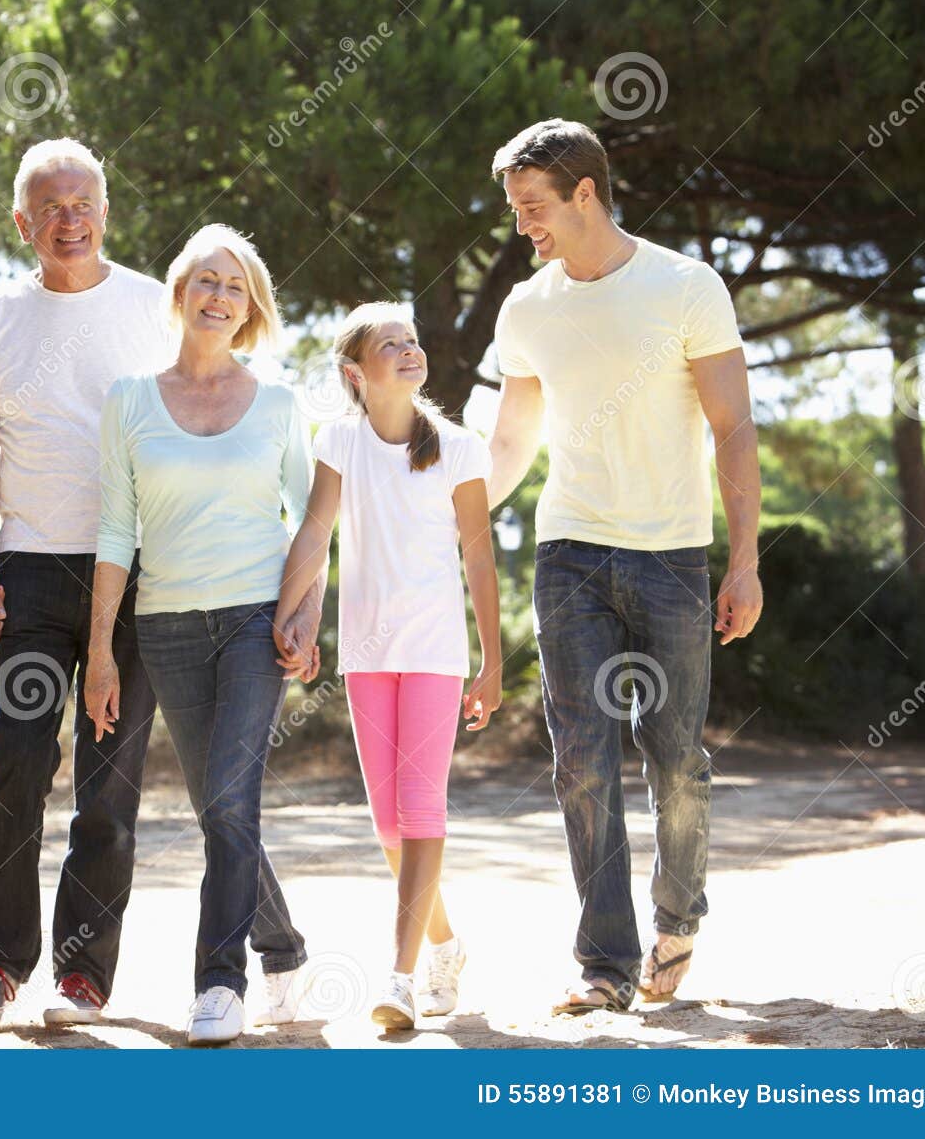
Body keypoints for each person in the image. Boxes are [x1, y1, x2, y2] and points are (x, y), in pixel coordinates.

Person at [485, 120, 763, 1015]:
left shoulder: (687, 286)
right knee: (581, 760)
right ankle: (605, 962)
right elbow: (512, 438)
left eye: (534, 207)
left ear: (586, 193)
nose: (523, 225)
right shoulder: (527, 307)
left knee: (677, 758)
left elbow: (733, 427)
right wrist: (455, 511)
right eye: (515, 209)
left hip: (673, 552)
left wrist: (744, 559)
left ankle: (678, 916)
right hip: (568, 550)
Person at [0, 139, 172, 1026]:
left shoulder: (157, 306)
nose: (69, 220)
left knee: (108, 779)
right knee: (17, 763)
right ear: (22, 223)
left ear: (105, 212)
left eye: (83, 203)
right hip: (33, 573)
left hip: (136, 568)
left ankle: (84, 977)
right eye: (51, 207)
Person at [87, 224, 318, 1045]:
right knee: (220, 808)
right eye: (206, 281)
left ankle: (220, 984)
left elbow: (313, 524)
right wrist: (101, 648)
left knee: (227, 798)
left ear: (248, 307)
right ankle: (284, 946)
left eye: (235, 286)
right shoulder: (130, 401)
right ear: (179, 292)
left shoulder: (283, 404)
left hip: (257, 618)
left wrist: (305, 612)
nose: (219, 296)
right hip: (166, 625)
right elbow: (116, 530)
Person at [276, 302, 501, 1031]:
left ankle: (400, 978)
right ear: (354, 373)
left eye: (412, 338)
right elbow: (316, 529)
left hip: (436, 654)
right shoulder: (339, 440)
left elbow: (479, 555)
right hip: (368, 654)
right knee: (388, 825)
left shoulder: (461, 447)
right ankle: (445, 944)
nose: (409, 349)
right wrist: (289, 613)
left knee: (422, 810)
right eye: (390, 344)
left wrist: (492, 659)